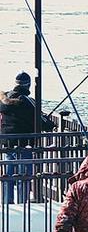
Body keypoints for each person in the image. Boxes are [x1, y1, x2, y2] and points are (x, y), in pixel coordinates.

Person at [0, 71, 53, 204]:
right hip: (25, 144)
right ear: (28, 85)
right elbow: (42, 121)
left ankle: (7, 203)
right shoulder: (27, 101)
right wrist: (49, 123)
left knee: (9, 174)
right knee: (24, 176)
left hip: (7, 143)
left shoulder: (4, 98)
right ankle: (23, 204)